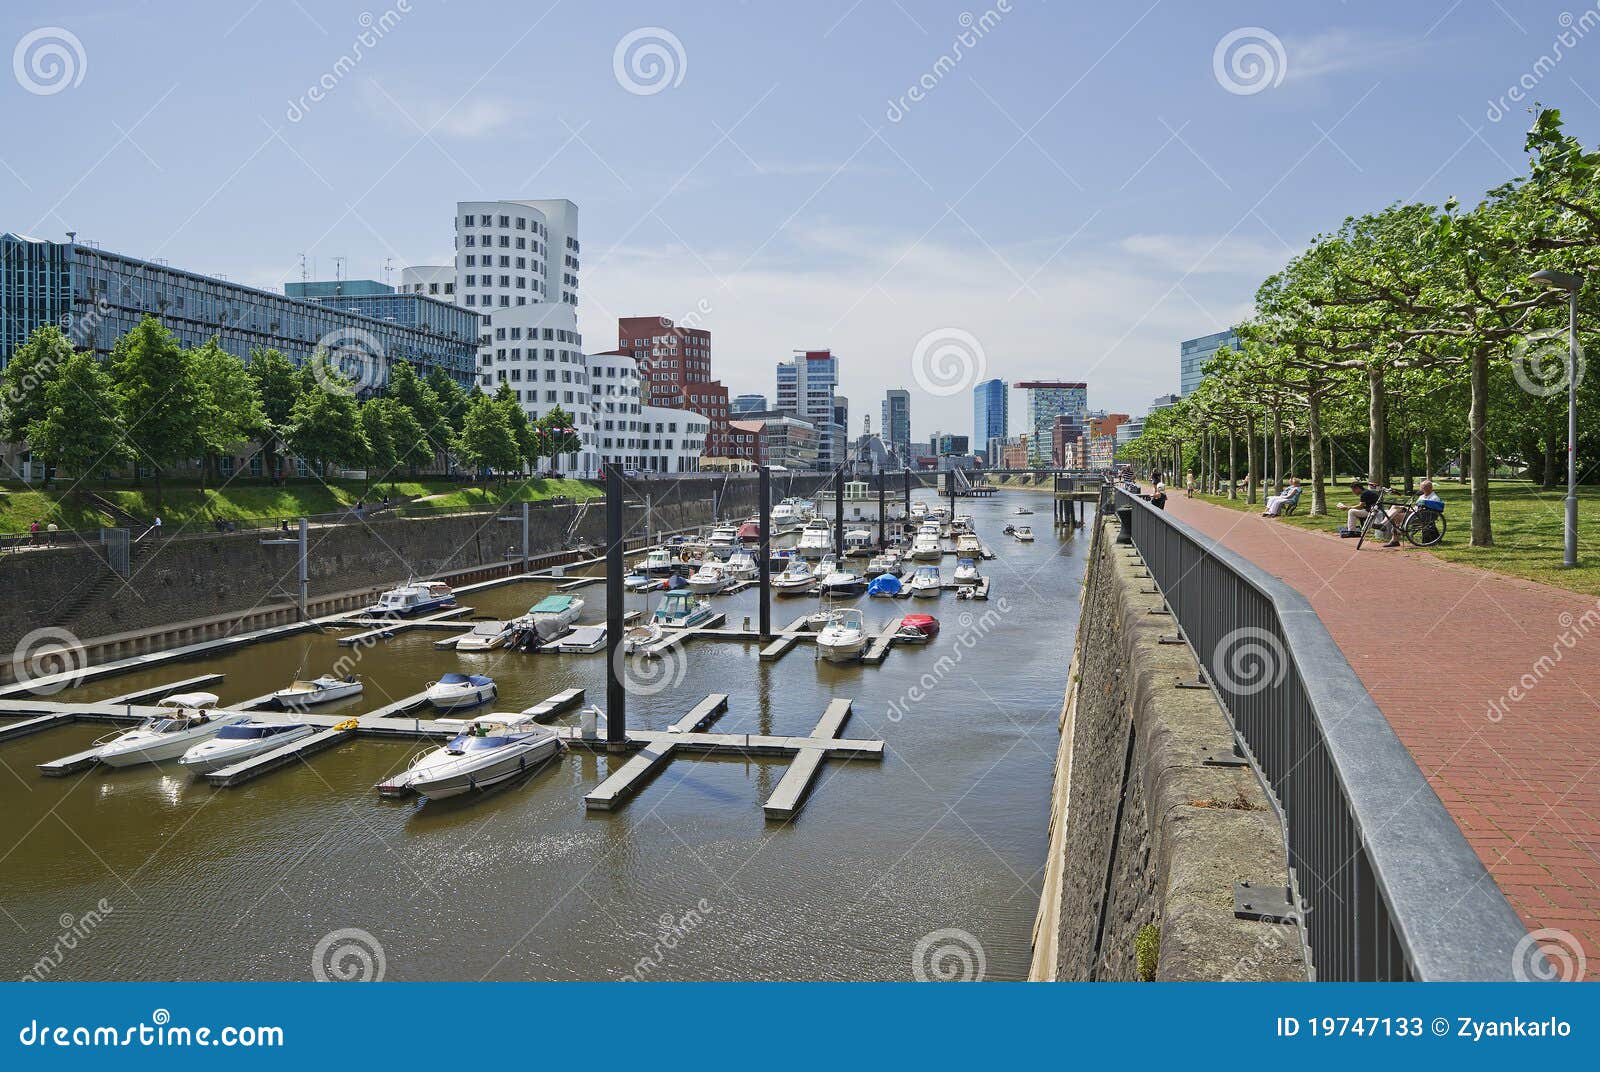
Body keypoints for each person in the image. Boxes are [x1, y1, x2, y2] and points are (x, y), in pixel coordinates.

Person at [1379, 480, 1443, 547]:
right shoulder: (1422, 496)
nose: (1421, 489)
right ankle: (1384, 525)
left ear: (1429, 488)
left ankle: (1394, 538)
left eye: (1423, 487)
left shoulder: (1434, 498)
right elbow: (1416, 507)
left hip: (1421, 517)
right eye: (1421, 487)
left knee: (1396, 516)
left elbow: (1430, 511)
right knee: (1394, 507)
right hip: (1415, 513)